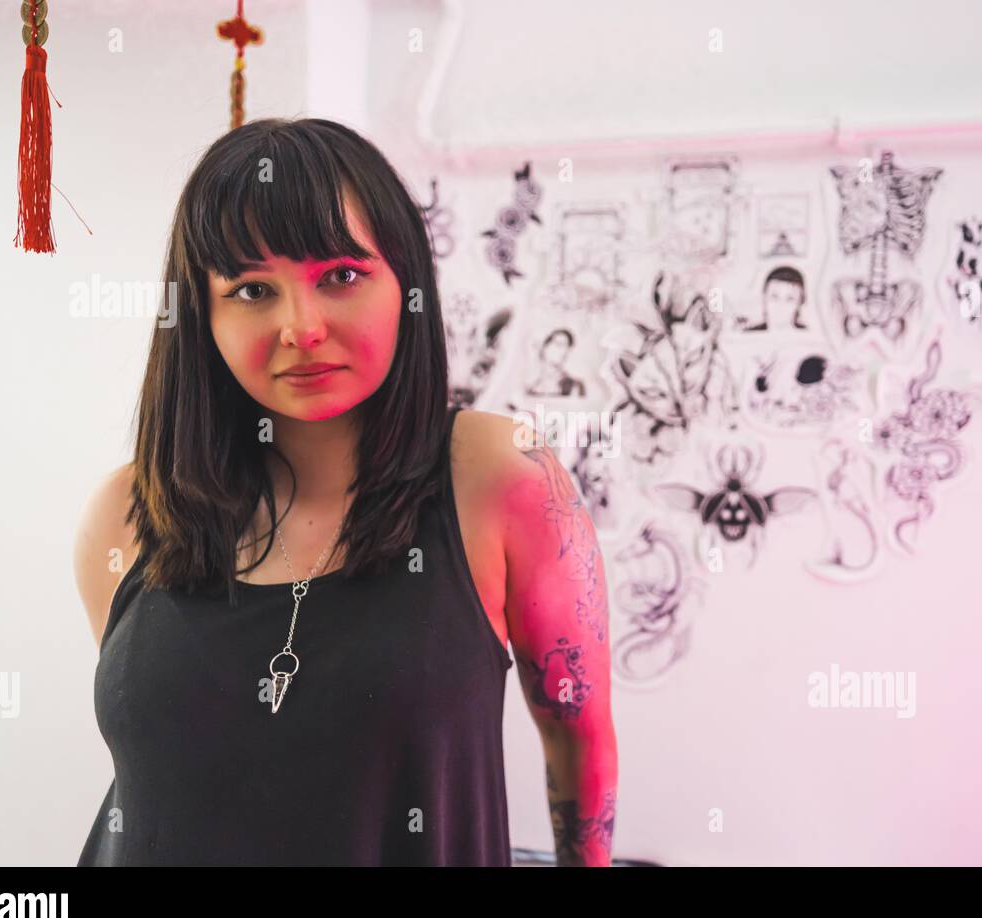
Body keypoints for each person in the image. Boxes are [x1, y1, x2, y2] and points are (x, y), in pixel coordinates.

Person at [72, 118, 617, 866]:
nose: (301, 327)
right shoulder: (126, 516)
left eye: (341, 276)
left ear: (407, 286)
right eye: (253, 289)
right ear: (202, 316)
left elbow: (578, 734)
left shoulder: (502, 476)